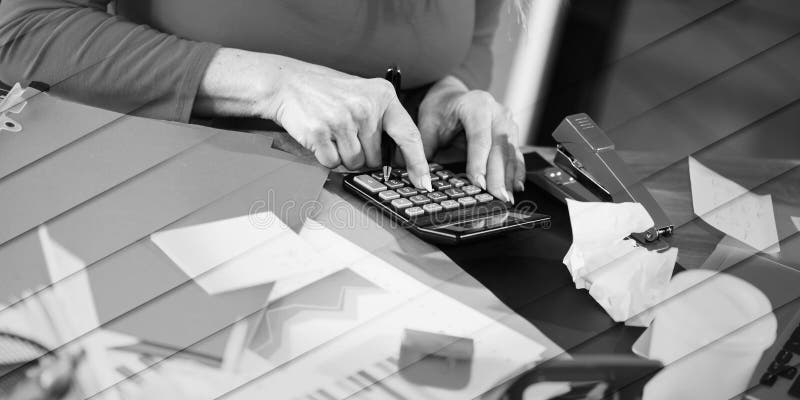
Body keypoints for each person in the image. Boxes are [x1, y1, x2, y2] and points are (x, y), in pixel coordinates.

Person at [0, 0, 526, 202]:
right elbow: (22, 30)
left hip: (368, 220)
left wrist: (448, 93)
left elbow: (473, 36)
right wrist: (273, 83)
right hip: (152, 200)